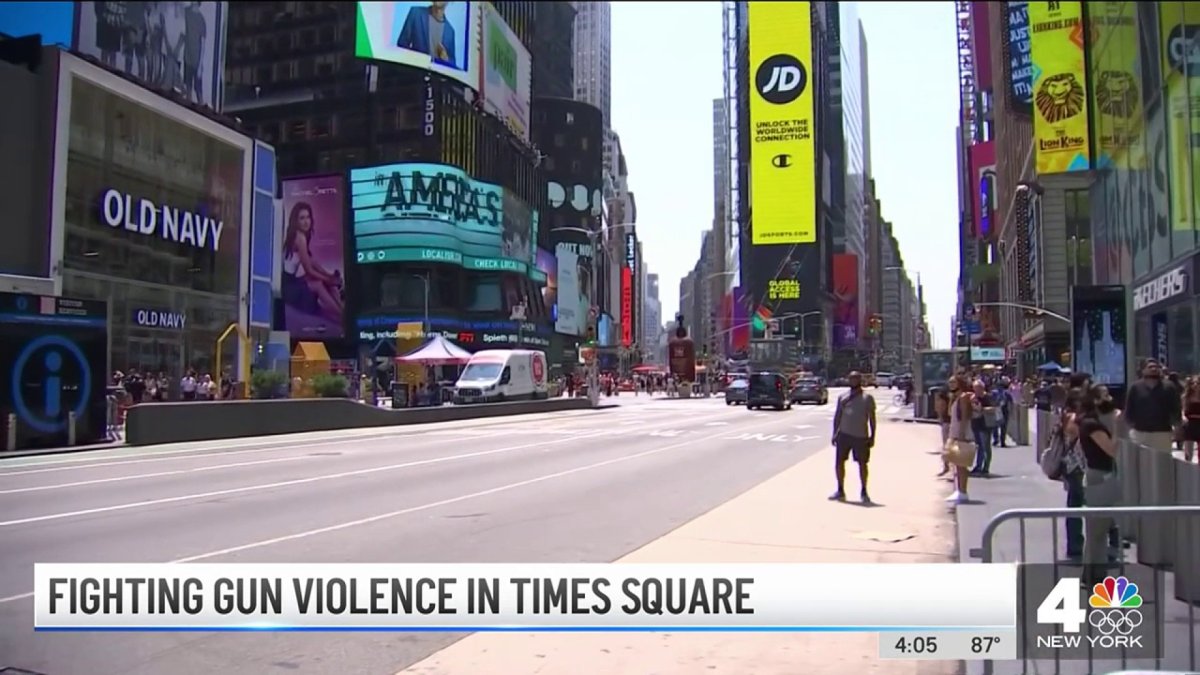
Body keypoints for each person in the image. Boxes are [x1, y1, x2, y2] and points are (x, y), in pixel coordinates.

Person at [1067, 385, 1122, 584]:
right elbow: (1111, 449)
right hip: (1099, 477)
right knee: (1097, 530)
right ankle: (1092, 575)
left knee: (1099, 530)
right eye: (1105, 395)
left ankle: (1095, 574)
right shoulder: (1092, 425)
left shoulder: (1089, 422)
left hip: (1098, 475)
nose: (1110, 398)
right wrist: (1116, 428)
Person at [283, 202, 345, 323]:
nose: (306, 221)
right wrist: (329, 279)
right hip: (288, 286)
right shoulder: (299, 238)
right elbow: (309, 270)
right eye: (302, 218)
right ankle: (342, 317)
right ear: (296, 221)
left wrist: (329, 277)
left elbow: (313, 263)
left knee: (326, 281)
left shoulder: (302, 236)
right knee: (317, 283)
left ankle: (342, 311)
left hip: (293, 280)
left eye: (308, 217)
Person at [829, 371, 877, 504]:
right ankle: (840, 490)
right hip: (843, 435)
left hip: (861, 436)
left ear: (860, 380)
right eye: (851, 378)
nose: (853, 381)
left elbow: (872, 419)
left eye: (856, 378)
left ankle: (864, 490)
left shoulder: (867, 398)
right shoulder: (843, 397)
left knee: (862, 464)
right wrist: (834, 433)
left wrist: (873, 436)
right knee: (839, 463)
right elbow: (837, 416)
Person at [1124, 359, 1181, 451]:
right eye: (1150, 367)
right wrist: (1131, 426)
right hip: (1140, 433)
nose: (1154, 369)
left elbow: (1176, 408)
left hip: (1162, 433)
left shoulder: (1169, 387)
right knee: (1140, 463)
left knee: (1163, 462)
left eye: (1156, 367)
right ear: (1143, 370)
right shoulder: (1135, 387)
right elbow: (1129, 408)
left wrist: (1177, 426)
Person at [944, 373, 977, 504]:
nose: (951, 385)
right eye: (950, 383)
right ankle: (959, 490)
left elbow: (964, 417)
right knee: (956, 463)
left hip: (961, 433)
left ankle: (963, 491)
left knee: (962, 464)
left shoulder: (964, 397)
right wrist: (951, 399)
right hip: (954, 431)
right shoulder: (956, 397)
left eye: (953, 382)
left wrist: (962, 434)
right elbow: (948, 413)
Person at [396, 1, 458, 68]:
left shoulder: (450, 31)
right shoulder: (415, 13)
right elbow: (401, 46)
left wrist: (446, 59)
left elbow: (452, 64)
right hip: (413, 73)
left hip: (435, 76)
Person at [970, 379, 997, 476]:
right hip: (976, 424)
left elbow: (994, 408)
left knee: (985, 447)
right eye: (974, 389)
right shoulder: (973, 398)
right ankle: (978, 466)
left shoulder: (988, 397)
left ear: (982, 388)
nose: (976, 391)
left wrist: (982, 409)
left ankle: (985, 467)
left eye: (977, 388)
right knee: (978, 446)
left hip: (985, 425)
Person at [934, 380, 955, 477]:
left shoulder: (948, 395)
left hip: (950, 421)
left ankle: (948, 467)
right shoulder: (950, 395)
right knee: (949, 446)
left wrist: (940, 417)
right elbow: (939, 407)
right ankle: (948, 467)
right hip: (949, 421)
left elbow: (939, 407)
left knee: (948, 445)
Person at [1182, 378, 1200, 462]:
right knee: (1188, 452)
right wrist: (1183, 419)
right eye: (1193, 383)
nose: (1195, 385)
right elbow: (1182, 410)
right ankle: (1187, 468)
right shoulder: (1186, 397)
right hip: (1190, 424)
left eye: (1198, 383)